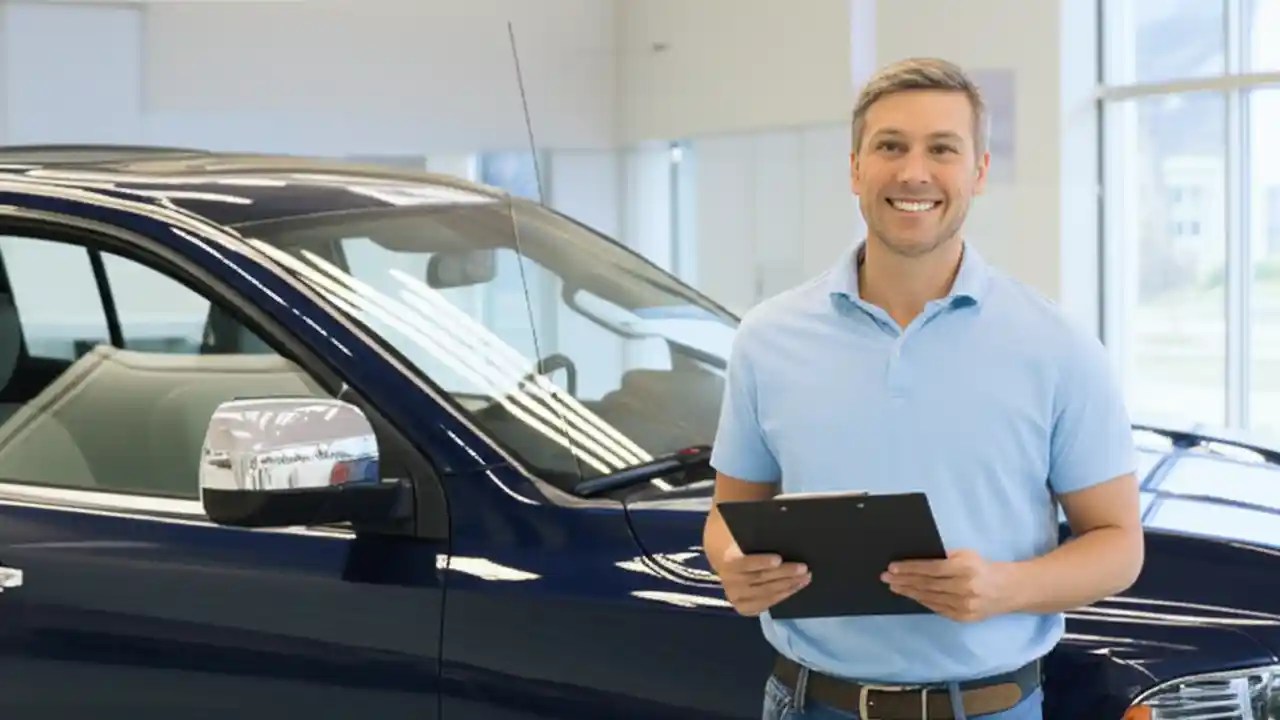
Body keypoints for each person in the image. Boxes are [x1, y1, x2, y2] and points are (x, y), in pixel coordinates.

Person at [701, 57, 1144, 720]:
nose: (914, 172)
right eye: (889, 146)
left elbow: (1118, 545)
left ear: (979, 172)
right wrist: (734, 563)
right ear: (855, 168)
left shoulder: (1057, 344)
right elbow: (727, 515)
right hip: (806, 702)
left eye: (943, 149)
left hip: (989, 708)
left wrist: (1003, 587)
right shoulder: (768, 338)